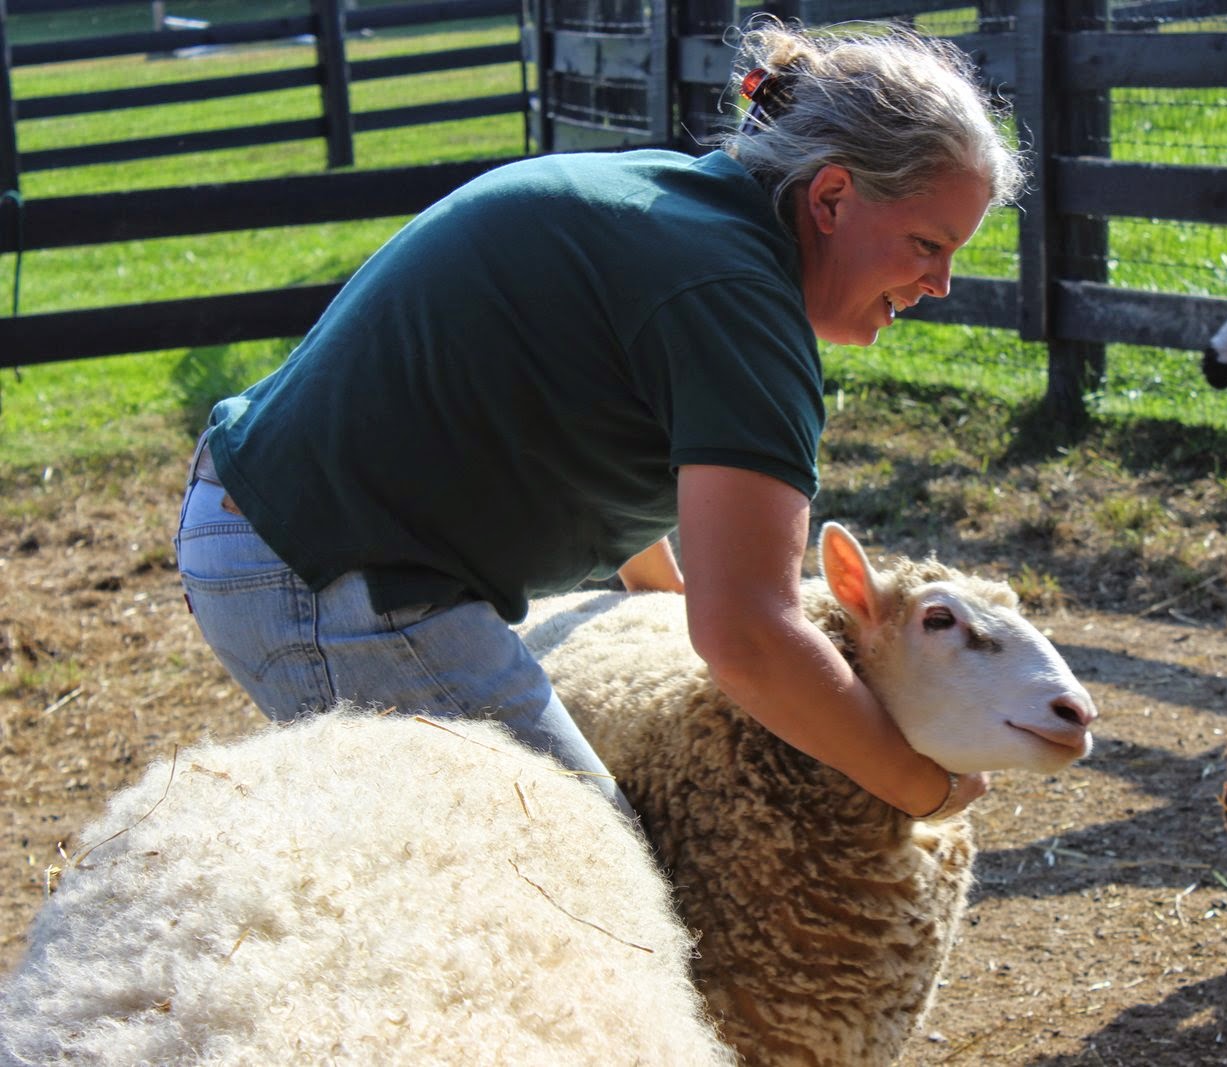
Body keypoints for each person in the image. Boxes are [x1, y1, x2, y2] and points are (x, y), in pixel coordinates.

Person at [173, 17, 1026, 822]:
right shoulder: (735, 302)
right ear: (833, 197)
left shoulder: (681, 220)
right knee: (585, 896)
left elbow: (568, 402)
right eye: (926, 243)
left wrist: (658, 595)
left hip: (285, 528)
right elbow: (750, 634)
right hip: (324, 570)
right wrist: (920, 790)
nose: (940, 282)